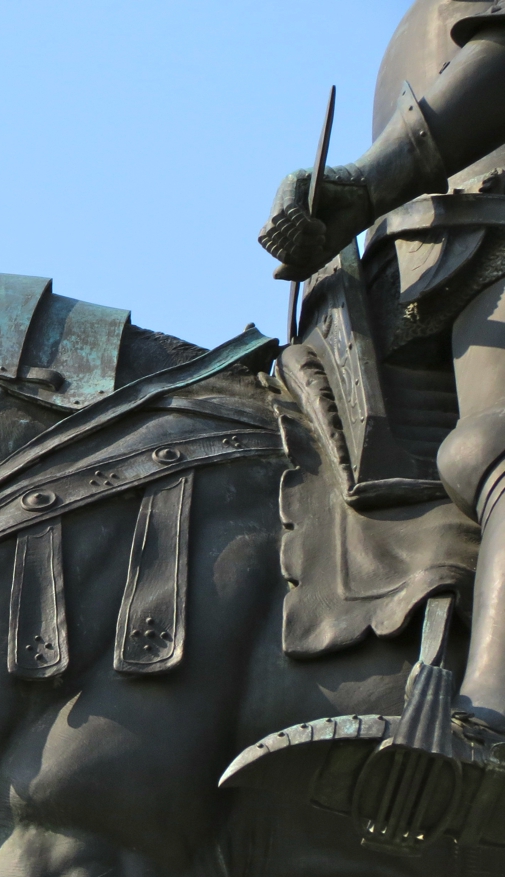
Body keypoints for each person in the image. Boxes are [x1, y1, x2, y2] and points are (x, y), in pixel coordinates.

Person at [259, 0, 505, 727]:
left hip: (479, 259)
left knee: (496, 443)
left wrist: (362, 184)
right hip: (410, 278)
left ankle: (490, 715)